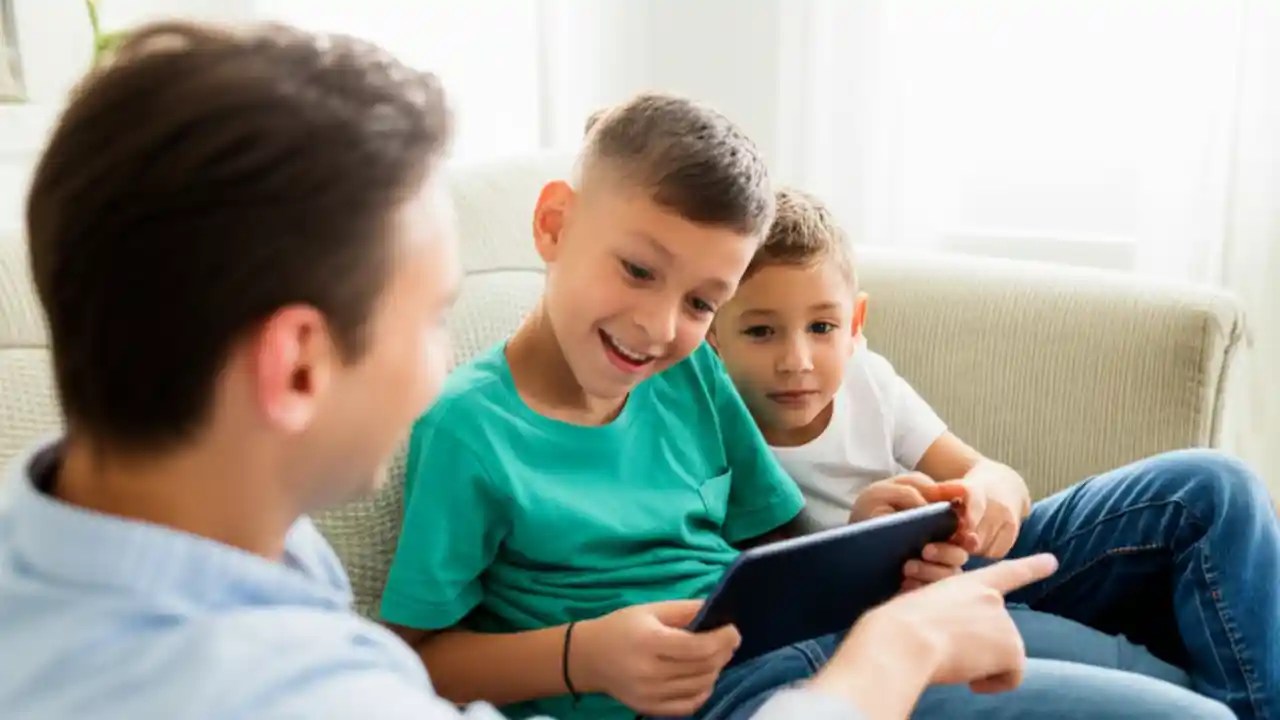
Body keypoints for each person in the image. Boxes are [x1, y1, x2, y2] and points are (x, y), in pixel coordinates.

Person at [0, 20, 1069, 720]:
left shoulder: (112, 537)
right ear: (298, 366)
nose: (443, 361)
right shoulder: (304, 693)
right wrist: (889, 658)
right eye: (430, 317)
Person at [380, 93, 1233, 720]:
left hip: (832, 634)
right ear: (554, 225)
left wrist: (868, 534)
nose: (659, 327)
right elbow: (413, 661)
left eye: (702, 303)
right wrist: (581, 656)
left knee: (1180, 668)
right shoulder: (468, 427)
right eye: (638, 270)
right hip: (731, 698)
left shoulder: (689, 374)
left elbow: (777, 547)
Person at [708, 186, 1280, 720]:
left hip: (962, 561)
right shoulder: (709, 422)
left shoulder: (866, 379)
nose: (797, 361)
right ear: (712, 332)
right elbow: (757, 593)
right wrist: (861, 543)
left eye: (822, 327)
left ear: (855, 323)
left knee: (1215, 485)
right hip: (876, 615)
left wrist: (979, 498)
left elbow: (994, 476)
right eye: (761, 332)